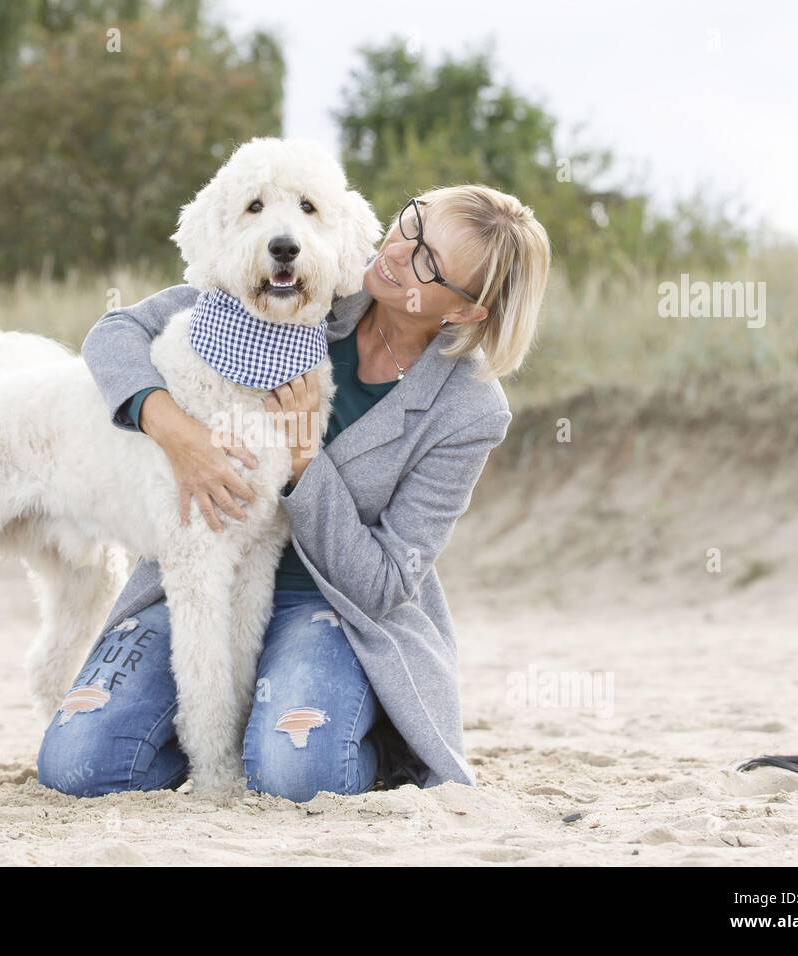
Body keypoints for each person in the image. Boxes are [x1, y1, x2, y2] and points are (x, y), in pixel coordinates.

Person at [36, 185, 550, 801]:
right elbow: (117, 331)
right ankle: (220, 723)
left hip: (333, 610)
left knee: (298, 776)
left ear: (467, 311)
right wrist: (175, 431)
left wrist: (305, 457)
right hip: (202, 579)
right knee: (80, 767)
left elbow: (385, 582)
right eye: (412, 221)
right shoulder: (308, 273)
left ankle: (358, 725)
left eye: (428, 262)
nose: (397, 250)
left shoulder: (467, 410)